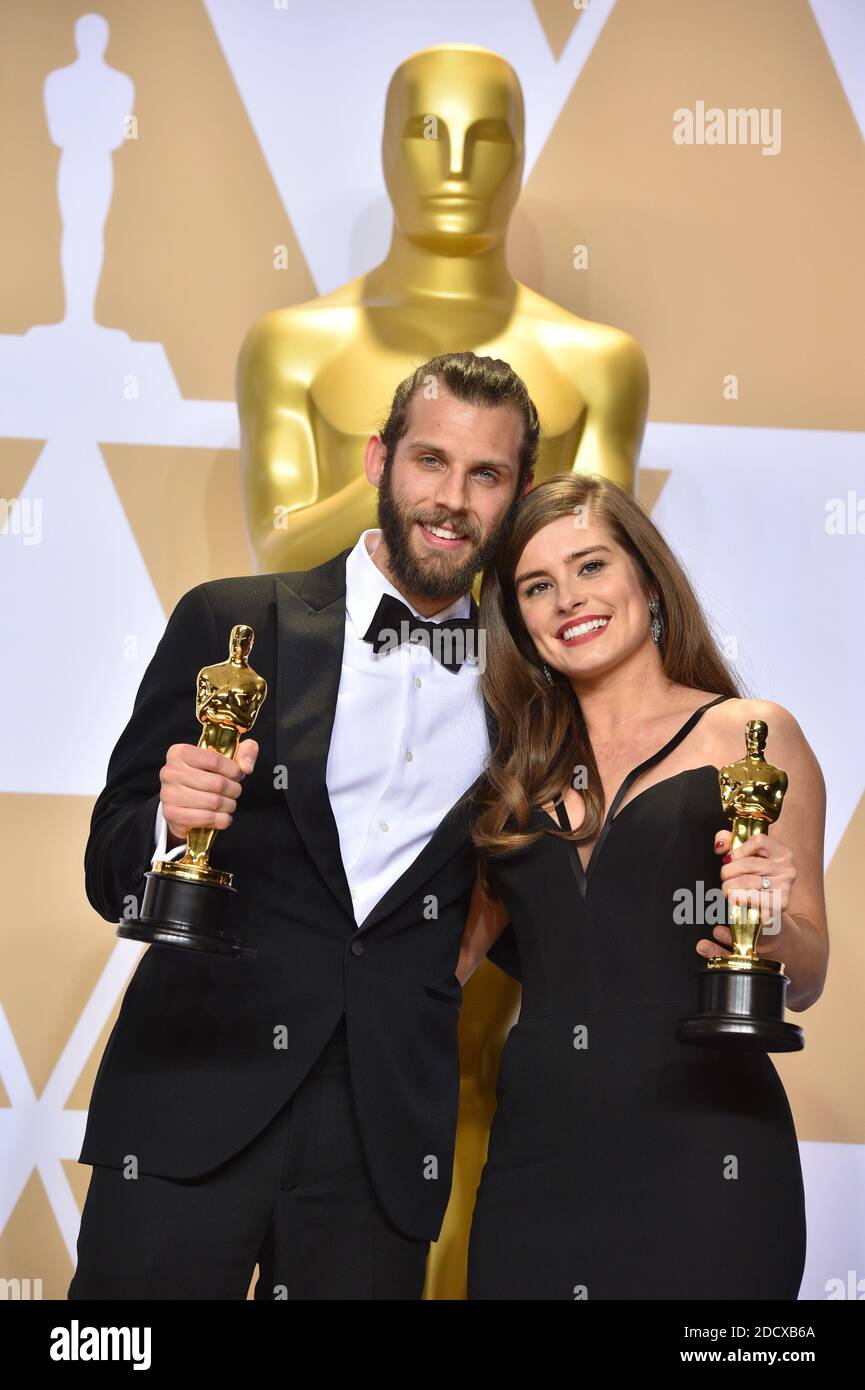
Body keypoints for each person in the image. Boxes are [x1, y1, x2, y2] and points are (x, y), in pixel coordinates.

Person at [68, 352, 535, 1300]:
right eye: (429, 461)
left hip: (381, 1138)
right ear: (377, 461)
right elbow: (106, 860)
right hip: (193, 1091)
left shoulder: (528, 693)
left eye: (485, 474)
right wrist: (169, 816)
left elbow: (537, 893)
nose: (451, 499)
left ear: (516, 494)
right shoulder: (232, 623)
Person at [461, 472, 829, 1300]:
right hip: (532, 1163)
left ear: (644, 578)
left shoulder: (748, 734)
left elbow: (806, 973)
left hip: (708, 1158)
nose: (568, 600)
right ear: (517, 620)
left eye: (590, 567)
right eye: (537, 586)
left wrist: (767, 927)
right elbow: (435, 965)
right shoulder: (511, 778)